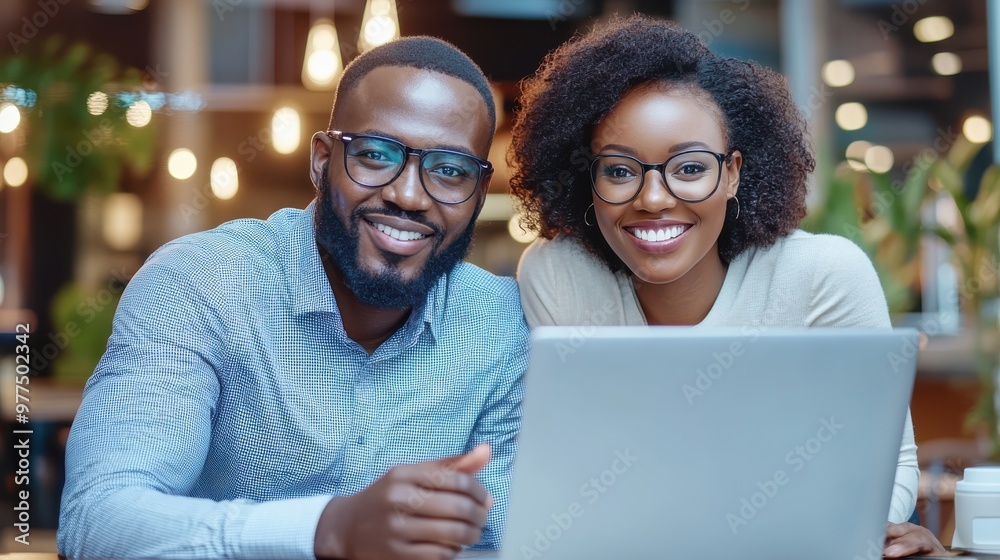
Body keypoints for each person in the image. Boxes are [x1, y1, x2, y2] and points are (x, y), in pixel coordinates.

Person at [58, 36, 528, 560]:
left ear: (478, 196)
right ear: (322, 161)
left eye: (449, 170)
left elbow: (518, 541)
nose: (409, 195)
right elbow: (97, 521)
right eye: (375, 155)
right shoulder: (200, 283)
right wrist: (328, 528)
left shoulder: (503, 326)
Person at [510, 15, 941, 558]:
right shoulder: (560, 275)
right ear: (586, 182)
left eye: (689, 167)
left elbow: (889, 466)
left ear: (733, 173)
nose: (654, 199)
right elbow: (583, 476)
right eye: (619, 171)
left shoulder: (821, 276)